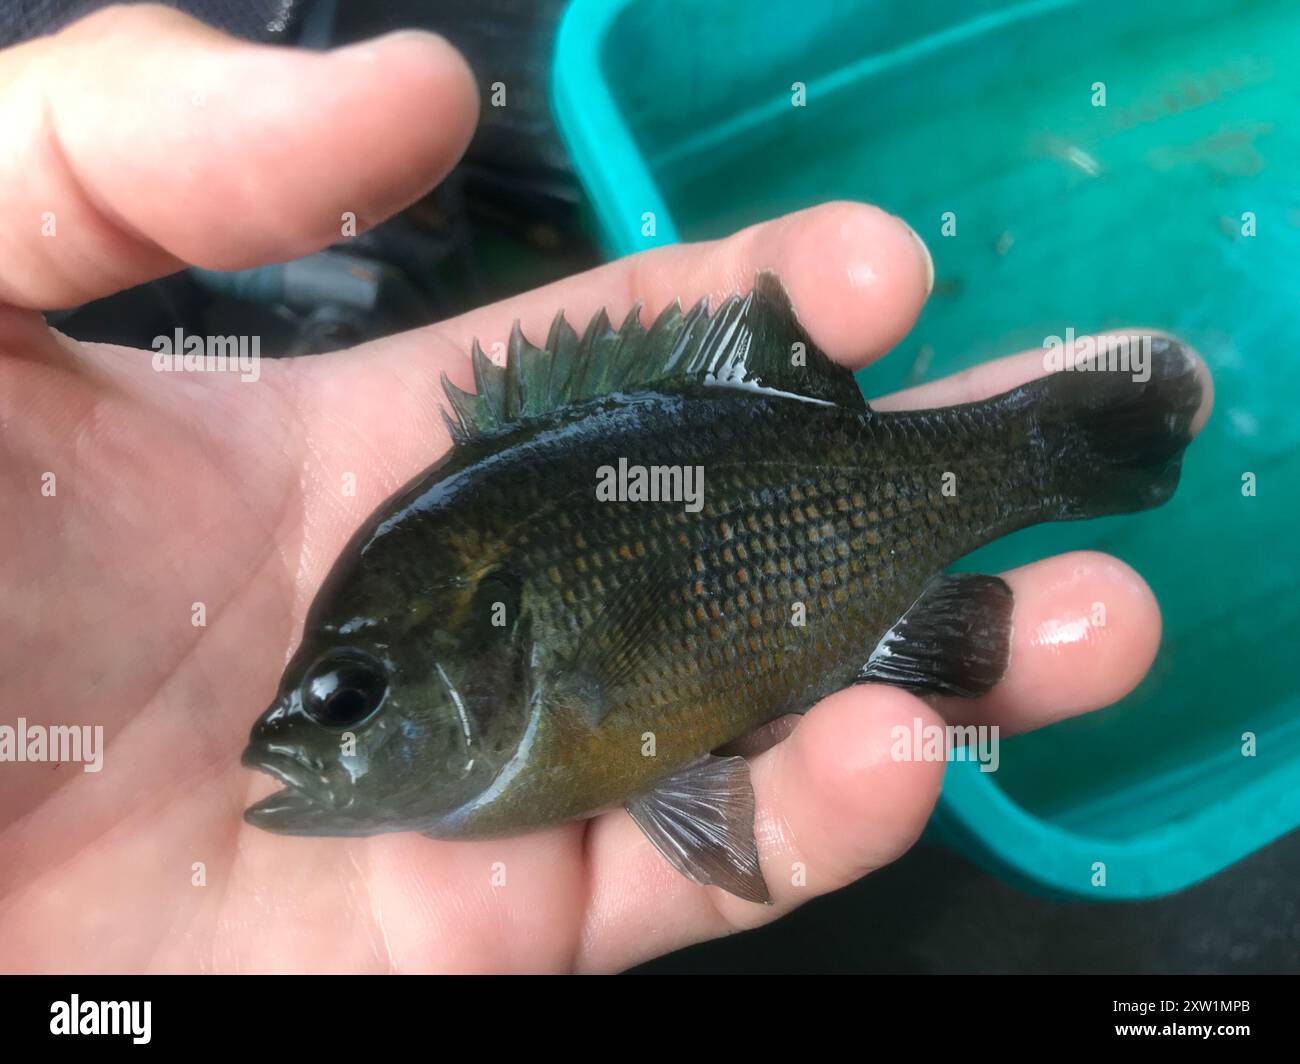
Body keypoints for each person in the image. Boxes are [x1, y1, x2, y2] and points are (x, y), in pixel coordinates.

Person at [0, 6, 1211, 973]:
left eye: (350, 694)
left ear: (494, 634)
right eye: (340, 699)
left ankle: (1050, 450)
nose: (297, 736)